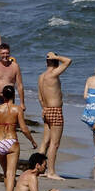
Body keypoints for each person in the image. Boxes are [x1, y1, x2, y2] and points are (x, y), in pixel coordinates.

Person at [36, 51, 72, 179]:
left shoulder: (41, 76)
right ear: (55, 61)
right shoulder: (53, 74)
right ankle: (50, 172)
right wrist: (56, 57)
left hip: (46, 110)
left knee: (45, 141)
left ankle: (38, 168)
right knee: (54, 143)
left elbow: (40, 98)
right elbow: (68, 61)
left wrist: (44, 109)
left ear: (46, 62)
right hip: (55, 110)